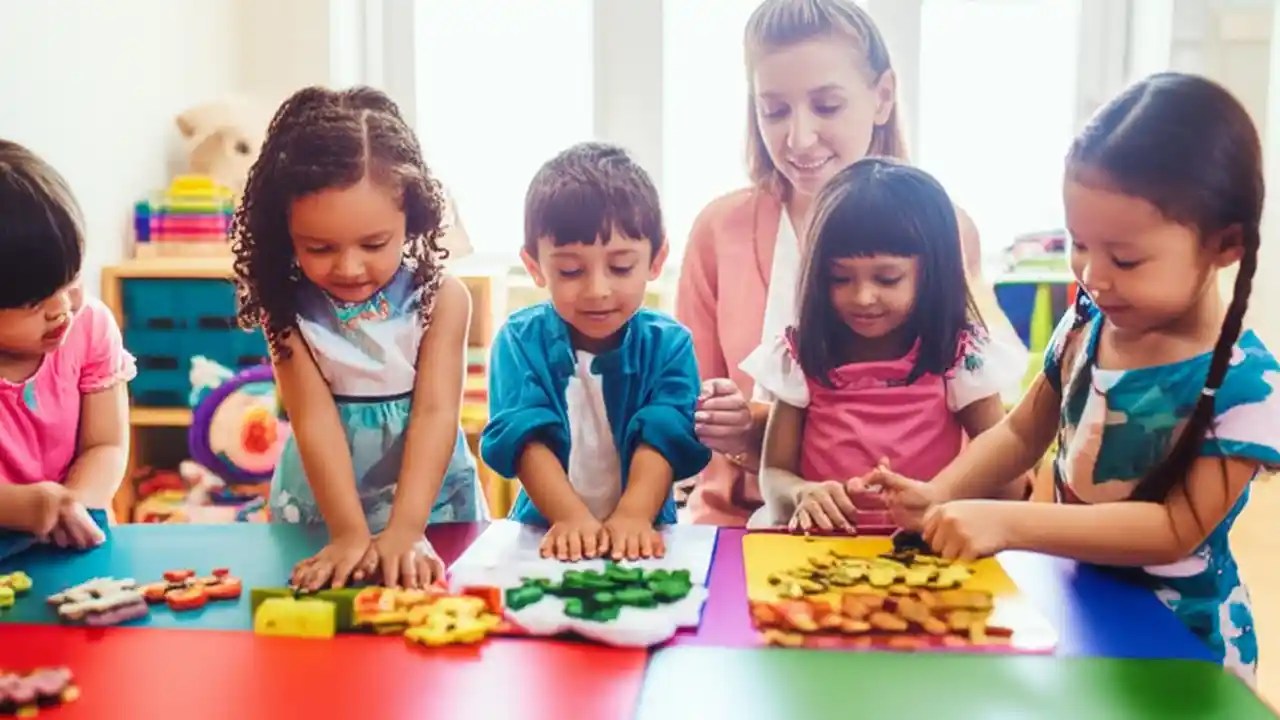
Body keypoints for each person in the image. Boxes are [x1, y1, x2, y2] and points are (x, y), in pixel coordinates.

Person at [865, 73, 1279, 685]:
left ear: (1226, 245)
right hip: (1073, 607)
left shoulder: (1250, 385)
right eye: (1080, 244)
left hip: (1179, 648)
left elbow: (1172, 529)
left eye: (1126, 258)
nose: (1093, 275)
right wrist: (940, 491)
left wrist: (1007, 521)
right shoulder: (1087, 322)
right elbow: (1021, 432)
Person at [675, 0, 1022, 525]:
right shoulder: (717, 231)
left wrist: (760, 428)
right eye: (773, 111)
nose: (798, 138)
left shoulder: (940, 227)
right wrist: (725, 427)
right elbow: (682, 419)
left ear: (882, 97)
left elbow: (998, 435)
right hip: (739, 525)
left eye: (828, 105)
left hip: (913, 533)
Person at [231, 86, 485, 592]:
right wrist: (348, 533)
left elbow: (436, 413)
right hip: (326, 503)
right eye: (319, 247)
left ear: (410, 218)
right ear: (285, 233)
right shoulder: (285, 307)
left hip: (425, 503)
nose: (349, 268)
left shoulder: (442, 299)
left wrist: (407, 530)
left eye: (374, 244)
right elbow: (312, 416)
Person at [746, 158, 1024, 531]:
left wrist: (941, 496)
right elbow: (774, 474)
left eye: (888, 278)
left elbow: (1007, 481)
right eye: (839, 278)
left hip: (928, 548)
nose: (862, 297)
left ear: (931, 272)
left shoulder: (956, 355)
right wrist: (801, 493)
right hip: (821, 547)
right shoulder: (802, 355)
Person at [481, 142, 710, 561]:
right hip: (544, 534)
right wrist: (569, 518)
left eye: (621, 267)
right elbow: (525, 436)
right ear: (534, 267)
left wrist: (634, 516)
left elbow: (665, 432)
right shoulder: (518, 341)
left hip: (645, 536)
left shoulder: (670, 345)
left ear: (656, 261)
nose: (597, 290)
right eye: (570, 271)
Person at [0, 140, 130, 553]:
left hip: (73, 544)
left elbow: (105, 444)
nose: (62, 310)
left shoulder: (89, 327)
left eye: (71, 281)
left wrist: (73, 507)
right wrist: (20, 506)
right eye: (33, 302)